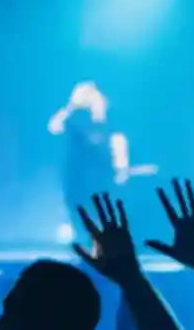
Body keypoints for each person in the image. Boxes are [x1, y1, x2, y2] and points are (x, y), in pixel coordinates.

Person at [48, 82, 141, 235]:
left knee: (100, 213)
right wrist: (71, 106)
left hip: (100, 178)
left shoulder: (109, 125)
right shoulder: (76, 123)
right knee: (79, 213)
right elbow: (54, 127)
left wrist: (121, 169)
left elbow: (118, 144)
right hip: (77, 177)